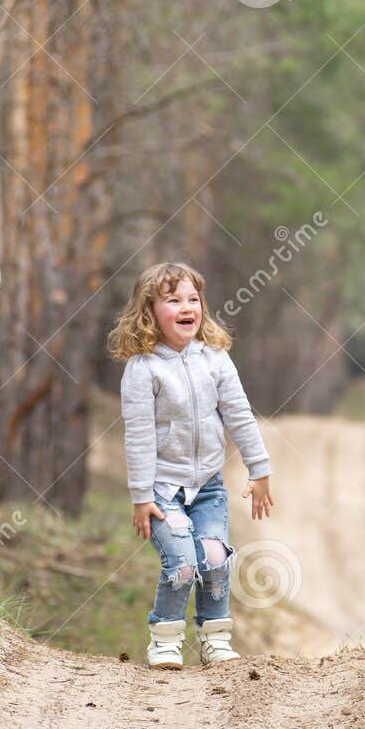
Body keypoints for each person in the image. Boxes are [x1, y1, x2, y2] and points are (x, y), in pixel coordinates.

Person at [110, 262, 275, 669]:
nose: (187, 307)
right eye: (173, 300)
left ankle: (215, 637)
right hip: (163, 491)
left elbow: (239, 414)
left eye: (193, 299)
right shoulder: (143, 369)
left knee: (216, 559)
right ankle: (165, 639)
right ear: (149, 312)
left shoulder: (215, 359)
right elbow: (139, 437)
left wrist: (260, 471)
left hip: (208, 487)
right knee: (183, 564)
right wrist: (141, 497)